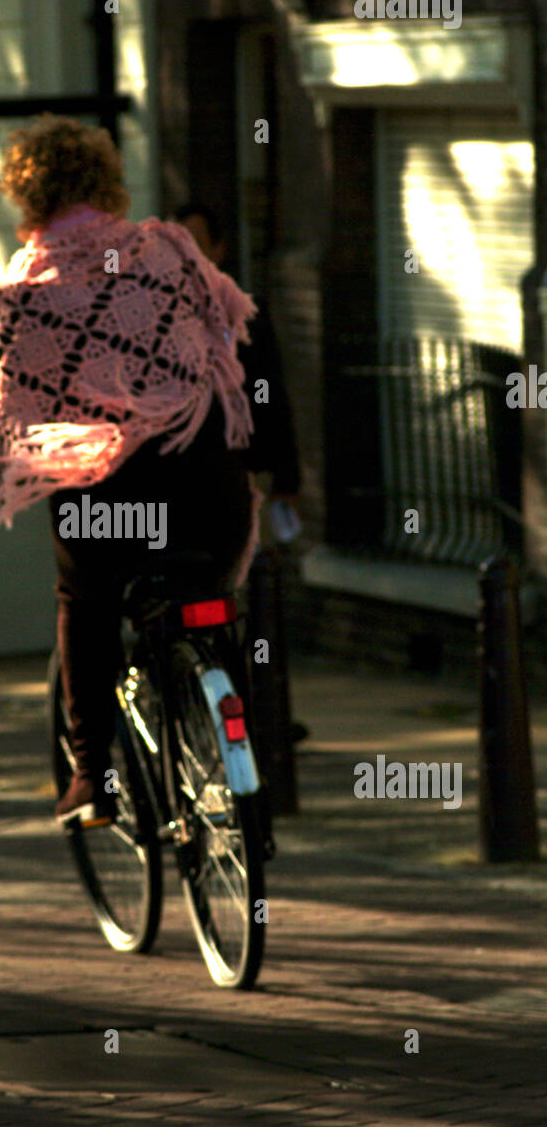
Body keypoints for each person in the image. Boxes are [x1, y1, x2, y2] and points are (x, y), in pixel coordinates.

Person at [0, 116, 266, 827]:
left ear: (24, 197)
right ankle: (245, 741)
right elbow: (222, 341)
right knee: (210, 601)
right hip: (205, 486)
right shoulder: (169, 249)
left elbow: (13, 414)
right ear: (107, 180)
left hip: (110, 509)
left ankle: (92, 777)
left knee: (84, 598)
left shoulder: (22, 291)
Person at [173, 204, 309, 745]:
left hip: (238, 477)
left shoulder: (242, 312)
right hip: (181, 483)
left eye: (196, 242)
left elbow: (272, 395)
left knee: (251, 598)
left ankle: (259, 705)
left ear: (220, 249)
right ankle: (200, 696)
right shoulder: (154, 314)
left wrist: (288, 477)